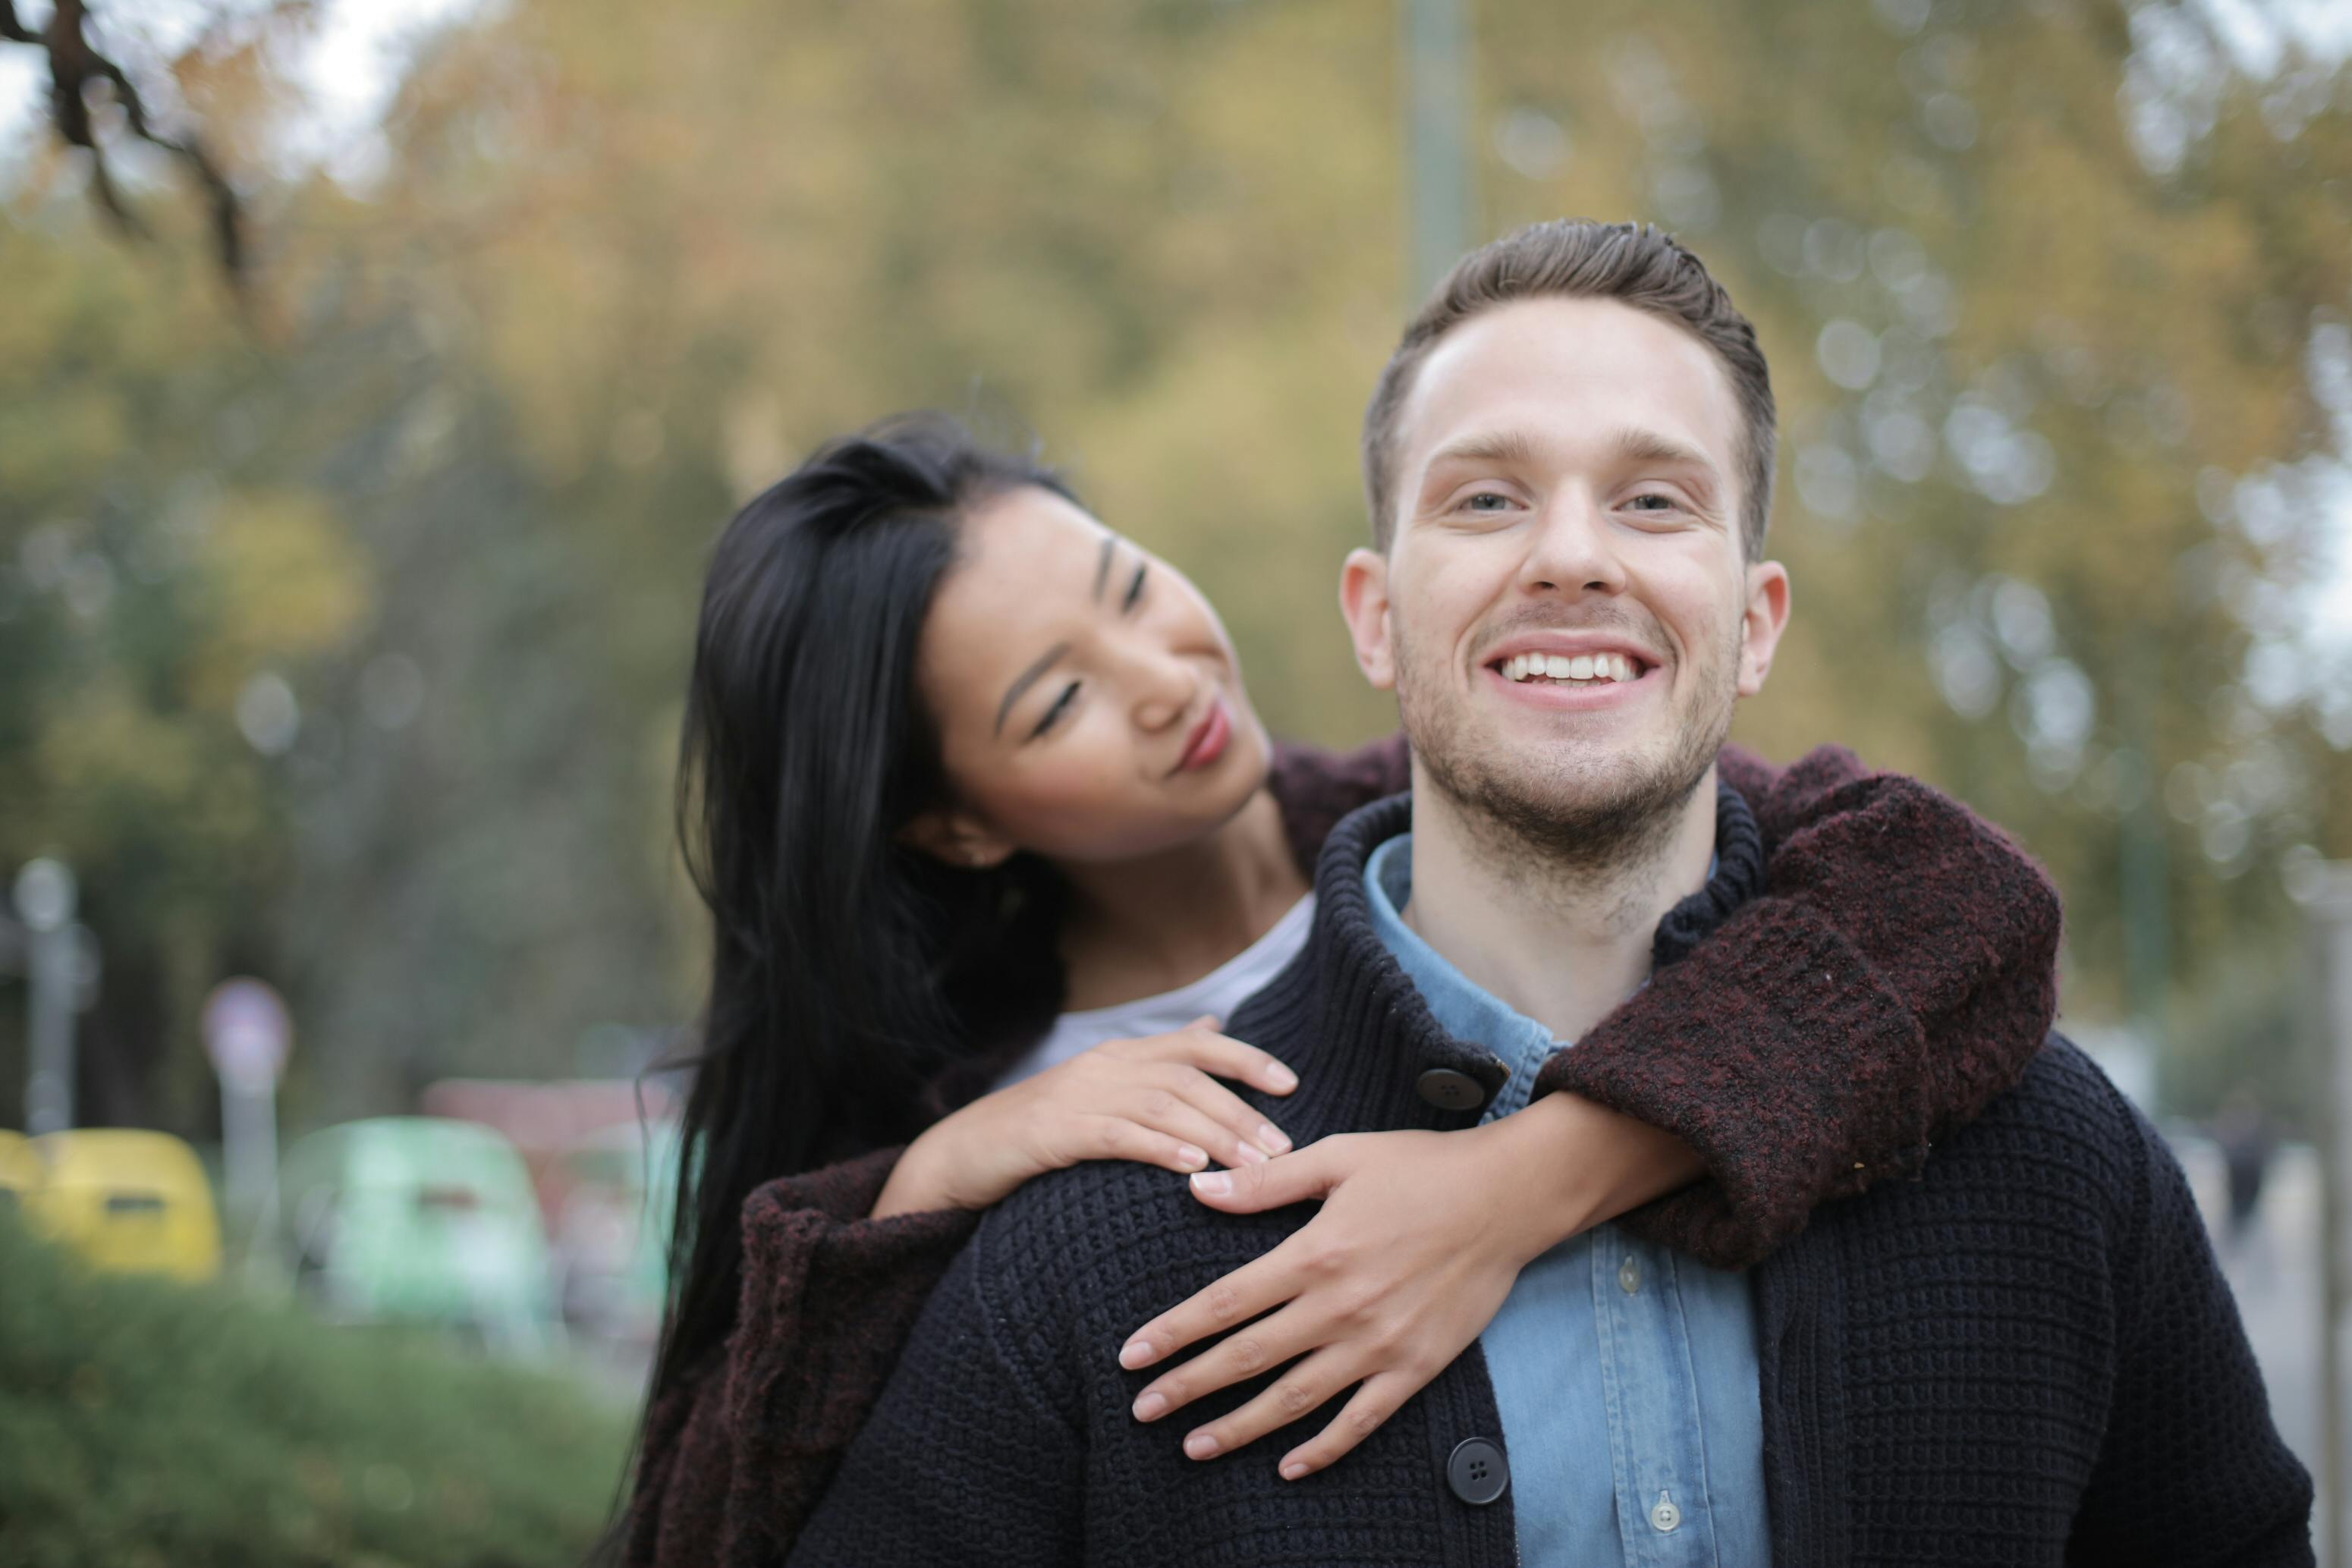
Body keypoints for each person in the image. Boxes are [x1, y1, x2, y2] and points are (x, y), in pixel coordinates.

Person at [778, 221, 2313, 1566]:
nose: (1572, 554)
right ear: (1374, 618)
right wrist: (919, 1185)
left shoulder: (2051, 1159)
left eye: (1654, 501)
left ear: (1754, 619)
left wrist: (1524, 1176)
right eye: (1486, 500)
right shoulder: (1097, 1245)